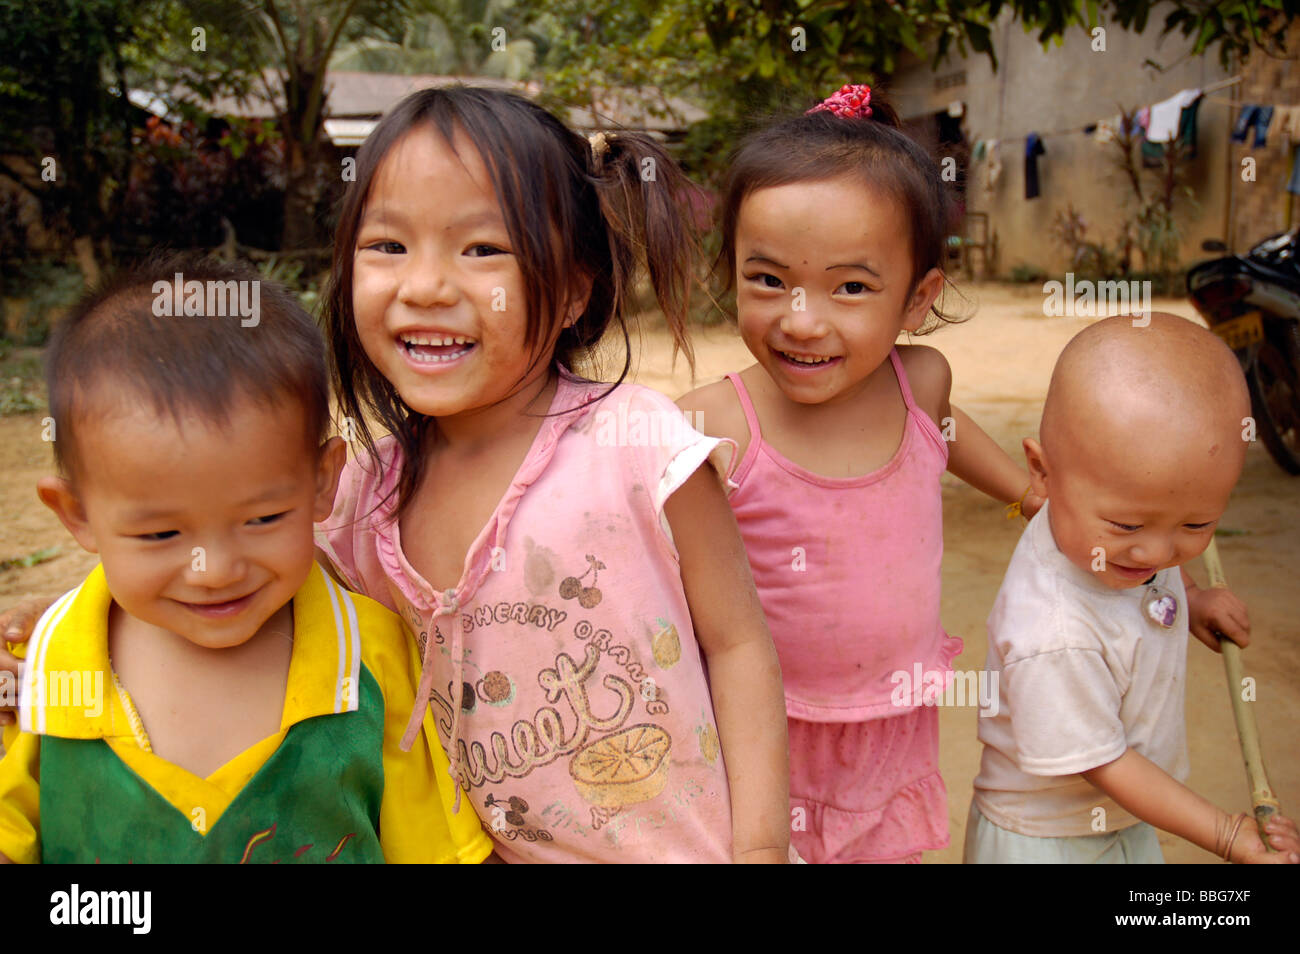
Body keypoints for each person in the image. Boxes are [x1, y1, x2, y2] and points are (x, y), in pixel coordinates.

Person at [312, 86, 790, 862]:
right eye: (388, 246)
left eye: (482, 250)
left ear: (572, 289)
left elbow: (738, 645)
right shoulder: (360, 499)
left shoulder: (637, 446)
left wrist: (763, 849)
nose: (424, 286)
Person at [0, 255, 490, 864]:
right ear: (75, 514)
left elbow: (431, 849)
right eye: (160, 534)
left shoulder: (370, 657)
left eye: (262, 520)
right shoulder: (38, 672)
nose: (215, 571)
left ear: (322, 482)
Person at [677, 83, 1043, 864]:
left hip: (892, 723)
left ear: (916, 299)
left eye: (850, 287)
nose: (801, 320)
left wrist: (1024, 492)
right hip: (759, 733)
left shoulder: (922, 384)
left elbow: (947, 432)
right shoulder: (713, 423)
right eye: (768, 279)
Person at [965, 313, 1300, 863]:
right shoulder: (1054, 633)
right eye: (1126, 526)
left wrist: (1191, 598)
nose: (1156, 555)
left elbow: (1154, 561)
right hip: (1045, 842)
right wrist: (1224, 833)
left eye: (1196, 524)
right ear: (1041, 473)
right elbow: (1105, 762)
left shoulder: (1107, 525)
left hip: (1124, 818)